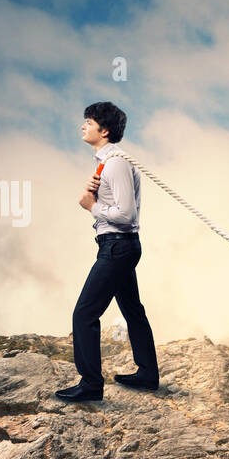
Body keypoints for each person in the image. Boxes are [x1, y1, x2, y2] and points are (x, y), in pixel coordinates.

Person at [55, 101, 160, 403]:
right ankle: (148, 374)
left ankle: (90, 384)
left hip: (118, 247)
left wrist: (92, 207)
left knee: (84, 313)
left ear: (105, 130)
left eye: (88, 121)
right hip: (118, 247)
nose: (83, 126)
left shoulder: (116, 163)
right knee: (132, 310)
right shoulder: (109, 163)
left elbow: (126, 215)